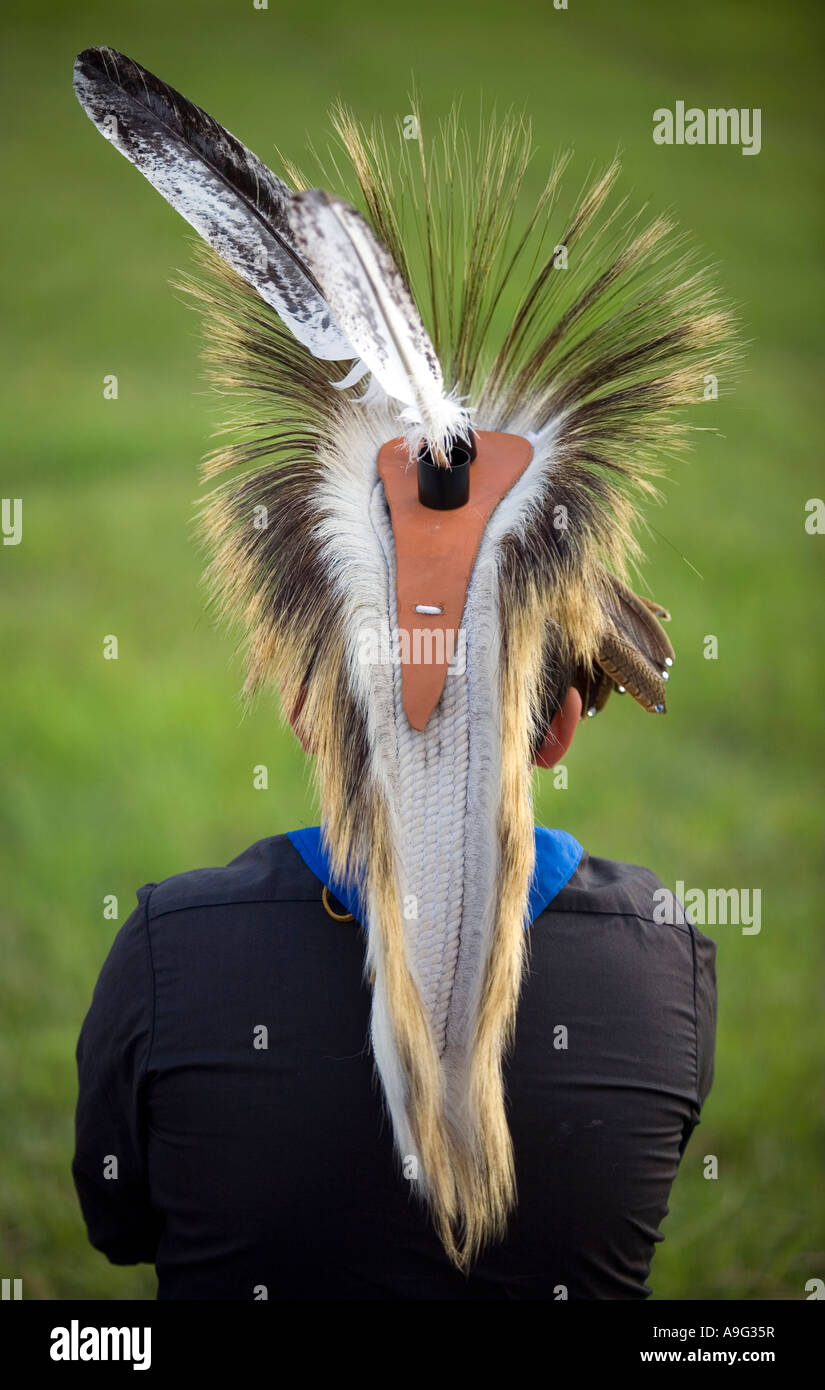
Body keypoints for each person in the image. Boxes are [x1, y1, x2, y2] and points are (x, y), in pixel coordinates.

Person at [72, 46, 727, 1299]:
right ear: (561, 731)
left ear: (312, 701)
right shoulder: (669, 969)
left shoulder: (169, 958)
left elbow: (115, 1223)